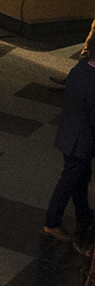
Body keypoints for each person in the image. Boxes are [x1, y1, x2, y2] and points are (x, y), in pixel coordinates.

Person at [43, 48, 95, 243]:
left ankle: (83, 213)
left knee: (80, 177)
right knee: (69, 181)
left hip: (69, 133)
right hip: (81, 140)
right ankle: (52, 222)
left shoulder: (79, 69)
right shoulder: (93, 81)